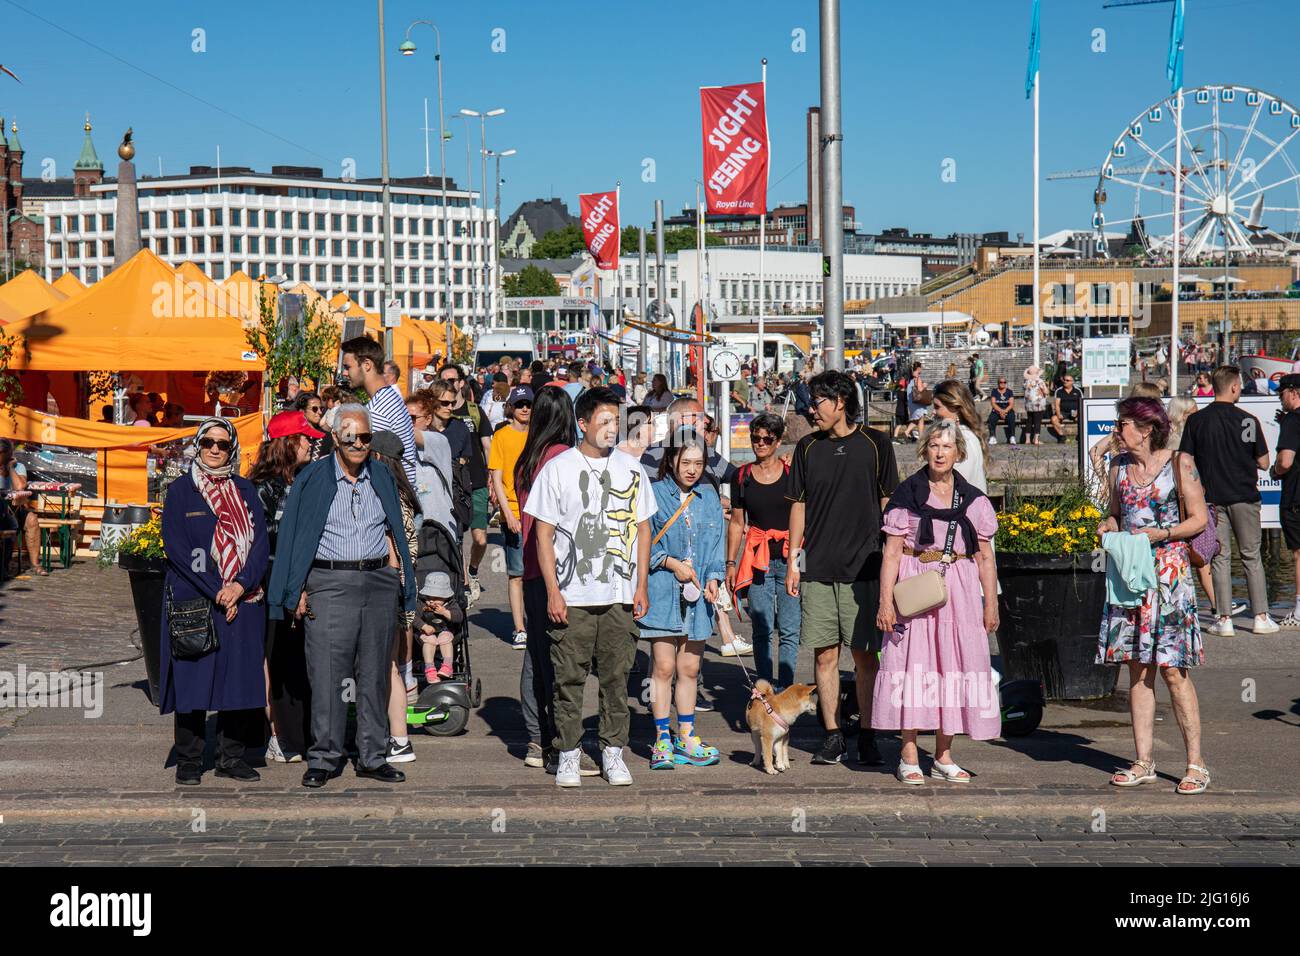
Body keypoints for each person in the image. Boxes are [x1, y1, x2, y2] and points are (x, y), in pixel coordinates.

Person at [266, 404, 417, 788]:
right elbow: (293, 536)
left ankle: (372, 755)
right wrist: (293, 588)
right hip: (329, 583)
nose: (358, 443)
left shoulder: (381, 474)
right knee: (328, 674)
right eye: (349, 435)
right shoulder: (313, 478)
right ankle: (324, 756)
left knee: (375, 675)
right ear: (335, 437)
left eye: (365, 437)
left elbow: (396, 525)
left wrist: (397, 573)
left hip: (377, 581)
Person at [523, 386, 655, 788]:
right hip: (573, 595)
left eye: (616, 420)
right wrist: (553, 591)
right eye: (605, 421)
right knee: (568, 680)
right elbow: (542, 535)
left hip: (619, 594)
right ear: (583, 423)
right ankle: (567, 754)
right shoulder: (558, 468)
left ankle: (613, 753)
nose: (613, 428)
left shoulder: (632, 469)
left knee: (617, 680)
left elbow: (644, 529)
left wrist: (641, 585)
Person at [875, 419, 1000, 784]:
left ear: (959, 452)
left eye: (947, 446)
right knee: (914, 667)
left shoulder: (974, 500)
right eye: (934, 445)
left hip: (959, 593)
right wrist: (885, 603)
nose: (940, 452)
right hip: (916, 590)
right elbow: (892, 554)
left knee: (953, 668)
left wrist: (989, 603)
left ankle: (943, 755)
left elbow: (986, 558)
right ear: (924, 450)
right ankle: (909, 752)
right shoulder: (906, 495)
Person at [1098, 397, 1211, 795]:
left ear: (1145, 429)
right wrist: (1107, 526)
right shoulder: (1118, 468)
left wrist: (1161, 534)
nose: (1116, 430)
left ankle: (1196, 763)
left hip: (1169, 575)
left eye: (1122, 423)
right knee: (1137, 668)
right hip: (1131, 575)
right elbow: (1114, 511)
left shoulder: (1180, 463)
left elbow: (1198, 518)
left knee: (1174, 670)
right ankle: (1143, 760)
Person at [786, 370, 900, 767]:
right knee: (824, 656)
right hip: (818, 568)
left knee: (867, 656)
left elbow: (890, 505)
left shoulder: (876, 443)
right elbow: (797, 507)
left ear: (840, 402)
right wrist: (793, 562)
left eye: (817, 402)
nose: (811, 409)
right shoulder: (806, 448)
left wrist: (893, 561)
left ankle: (869, 733)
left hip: (865, 568)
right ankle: (832, 735)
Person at [159, 419, 270, 785]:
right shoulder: (180, 491)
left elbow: (259, 544)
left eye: (223, 443)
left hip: (243, 600)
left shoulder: (246, 490)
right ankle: (190, 760)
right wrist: (217, 589)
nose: (215, 449)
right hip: (197, 598)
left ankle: (231, 757)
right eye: (208, 442)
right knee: (194, 679)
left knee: (237, 681)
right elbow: (178, 549)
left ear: (232, 448)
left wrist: (238, 586)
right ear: (197, 444)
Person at [514, 386, 592, 773]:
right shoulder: (563, 458)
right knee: (561, 661)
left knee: (536, 658)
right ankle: (561, 744)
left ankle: (535, 738)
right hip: (557, 571)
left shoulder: (526, 460)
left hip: (530, 568)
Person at [639, 427, 727, 770]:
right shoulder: (654, 493)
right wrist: (671, 563)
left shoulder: (708, 497)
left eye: (698, 463)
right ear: (671, 460)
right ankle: (662, 737)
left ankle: (687, 734)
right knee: (663, 666)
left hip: (699, 595)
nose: (691, 469)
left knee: (690, 668)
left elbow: (717, 544)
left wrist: (716, 577)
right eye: (685, 461)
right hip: (662, 590)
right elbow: (642, 542)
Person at [1179, 365, 1277, 637]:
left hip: (1211, 500)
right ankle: (1260, 617)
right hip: (1244, 496)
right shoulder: (1248, 420)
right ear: (1234, 387)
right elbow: (1264, 462)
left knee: (1220, 557)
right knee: (1251, 556)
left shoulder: (1197, 421)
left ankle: (1223, 619)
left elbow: (1185, 461)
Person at [250, 410, 322, 764]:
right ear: (288, 443)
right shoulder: (264, 487)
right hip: (270, 582)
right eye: (305, 438)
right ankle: (273, 733)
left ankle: (295, 732)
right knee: (272, 658)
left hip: (299, 580)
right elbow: (261, 541)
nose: (311, 443)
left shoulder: (305, 480)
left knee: (294, 661)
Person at [727, 412, 800, 690]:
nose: (760, 444)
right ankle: (765, 688)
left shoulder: (794, 473)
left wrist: (801, 565)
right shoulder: (742, 476)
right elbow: (736, 523)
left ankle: (788, 687)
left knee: (791, 629)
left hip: (791, 555)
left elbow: (805, 518)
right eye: (755, 438)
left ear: (779, 441)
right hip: (757, 559)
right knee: (761, 627)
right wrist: (730, 563)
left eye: (767, 439)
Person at [367, 430, 422, 765]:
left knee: (385, 667)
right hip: (401, 589)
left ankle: (397, 739)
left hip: (388, 589)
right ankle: (397, 738)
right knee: (388, 667)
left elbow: (393, 551)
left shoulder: (388, 496)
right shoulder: (403, 493)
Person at [441, 363, 494, 601]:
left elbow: (487, 445)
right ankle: (463, 581)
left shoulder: (474, 411)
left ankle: (473, 570)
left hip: (478, 480)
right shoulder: (441, 415)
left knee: (480, 538)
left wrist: (493, 474)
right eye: (445, 380)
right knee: (457, 536)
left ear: (461, 383)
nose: (450, 385)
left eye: (453, 380)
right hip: (453, 484)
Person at [488, 385, 534, 650]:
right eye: (520, 405)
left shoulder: (538, 435)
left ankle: (537, 623)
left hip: (538, 515)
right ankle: (519, 628)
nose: (524, 409)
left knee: (538, 574)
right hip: (514, 514)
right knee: (516, 574)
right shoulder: (502, 436)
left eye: (528, 404)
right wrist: (507, 514)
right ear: (511, 408)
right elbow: (497, 478)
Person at [340, 335, 417, 485]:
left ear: (367, 365)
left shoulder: (378, 410)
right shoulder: (391, 398)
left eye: (348, 367)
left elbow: (358, 460)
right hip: (400, 493)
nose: (345, 373)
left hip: (393, 496)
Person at [1272, 374, 1300, 628]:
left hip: (1296, 496)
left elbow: (1285, 461)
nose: (1280, 399)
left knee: (1299, 554)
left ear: (1293, 393)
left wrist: (1275, 470)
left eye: (1281, 394)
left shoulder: (1292, 420)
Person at [931, 380, 988, 493]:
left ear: (955, 408)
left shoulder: (959, 439)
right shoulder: (969, 434)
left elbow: (953, 485)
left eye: (937, 407)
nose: (933, 412)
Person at [0, 438, 43, 576]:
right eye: (3, 453)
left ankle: (35, 564)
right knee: (7, 525)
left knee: (32, 520)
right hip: (2, 511)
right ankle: (4, 567)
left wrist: (10, 468)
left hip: (16, 511)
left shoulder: (18, 467)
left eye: (7, 453)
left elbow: (19, 487)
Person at [1047, 373, 1082, 443]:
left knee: (1082, 420)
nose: (1065, 382)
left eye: (1067, 380)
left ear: (1072, 382)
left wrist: (1077, 412)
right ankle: (1062, 436)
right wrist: (1058, 414)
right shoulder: (1059, 391)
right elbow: (1057, 404)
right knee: (1054, 419)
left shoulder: (1078, 391)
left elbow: (1081, 404)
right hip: (1063, 412)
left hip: (1075, 412)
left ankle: (1080, 436)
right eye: (1064, 380)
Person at [1020, 365, 1049, 446]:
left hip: (1029, 405)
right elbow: (1046, 392)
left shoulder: (1026, 382)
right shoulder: (1039, 381)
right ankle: (1036, 440)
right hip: (1038, 404)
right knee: (1037, 422)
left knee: (1029, 421)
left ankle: (1027, 440)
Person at [987, 376, 1017, 445]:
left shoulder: (1009, 392)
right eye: (1001, 382)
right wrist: (1001, 411)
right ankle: (992, 437)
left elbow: (1011, 404)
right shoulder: (994, 391)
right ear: (998, 383)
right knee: (991, 418)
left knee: (1011, 417)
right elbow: (993, 403)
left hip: (1007, 410)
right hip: (997, 411)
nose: (1002, 383)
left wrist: (1005, 411)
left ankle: (1012, 437)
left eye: (1004, 382)